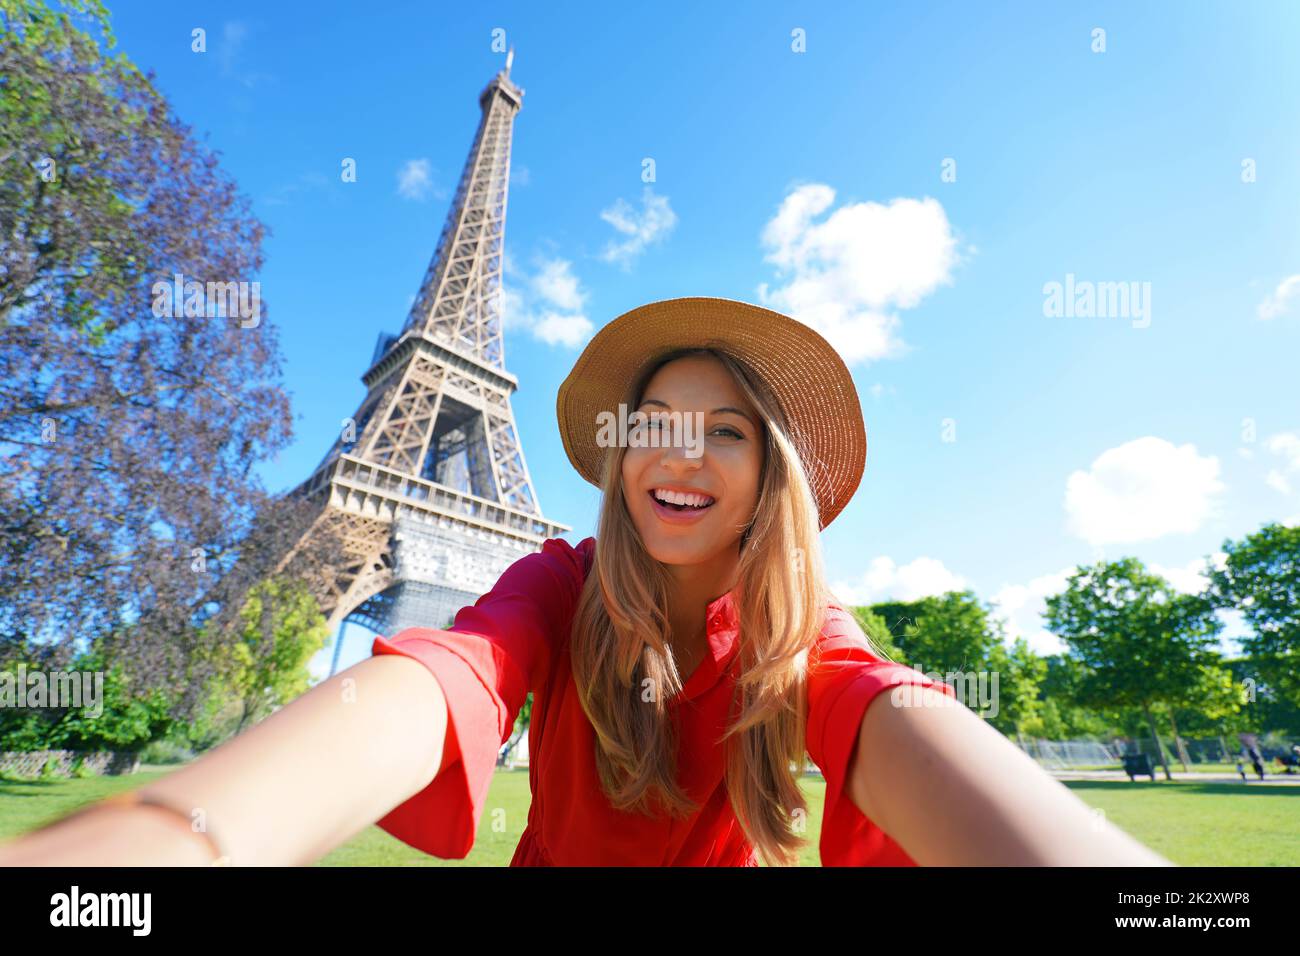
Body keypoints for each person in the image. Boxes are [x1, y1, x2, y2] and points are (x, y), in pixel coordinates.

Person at [0, 296, 1172, 867]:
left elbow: (898, 718)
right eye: (653, 421)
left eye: (725, 430)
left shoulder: (804, 631)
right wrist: (168, 839)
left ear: (770, 474)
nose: (679, 450)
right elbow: (445, 679)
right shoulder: (554, 587)